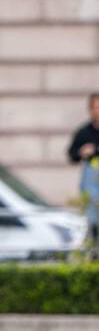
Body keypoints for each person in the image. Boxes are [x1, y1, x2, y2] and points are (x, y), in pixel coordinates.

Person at [68, 92, 99, 254]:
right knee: (92, 221)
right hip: (92, 184)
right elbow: (71, 155)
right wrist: (82, 152)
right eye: (95, 107)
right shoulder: (84, 132)